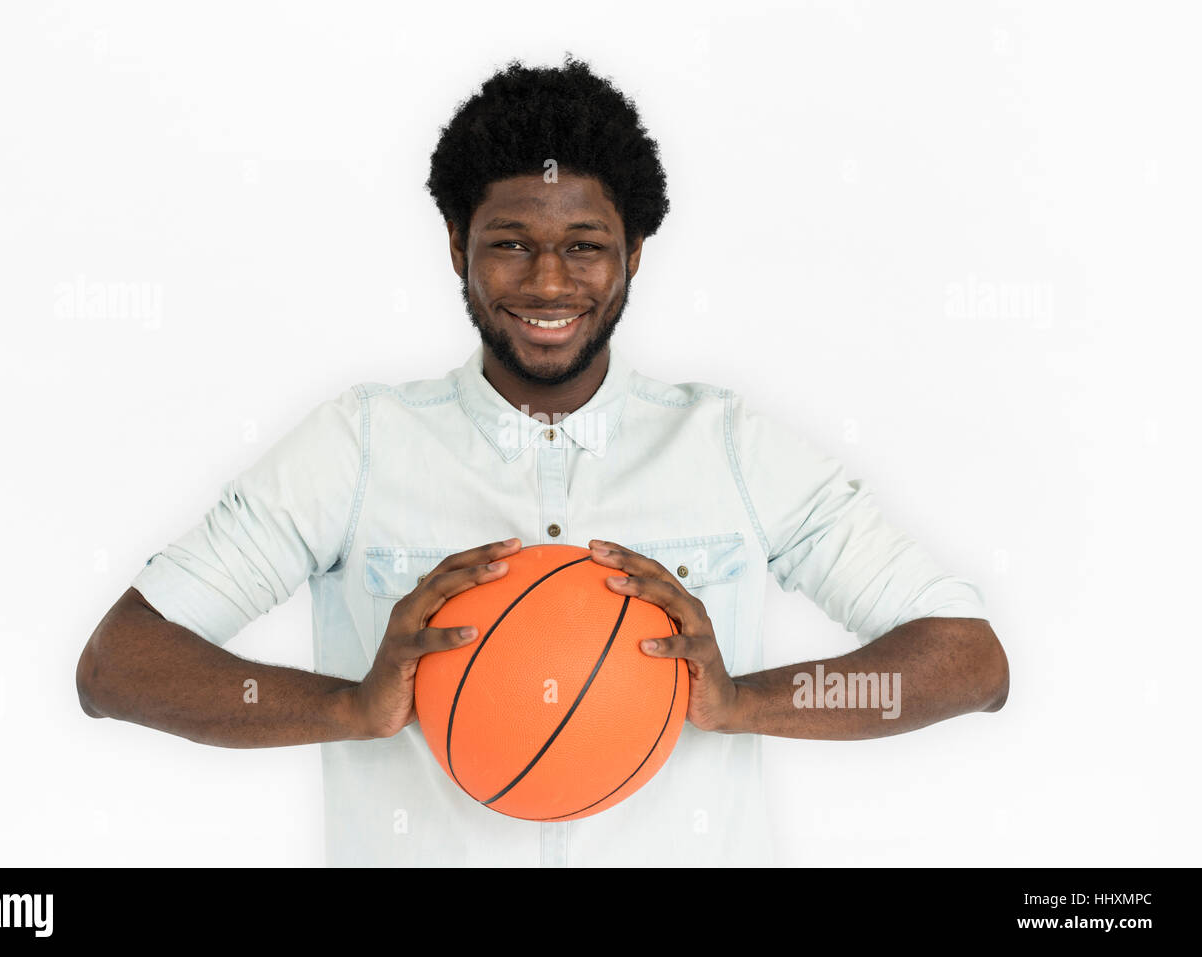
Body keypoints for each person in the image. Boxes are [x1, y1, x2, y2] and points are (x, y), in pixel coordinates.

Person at [76, 55, 1008, 867]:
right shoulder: (358, 445)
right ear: (458, 248)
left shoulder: (729, 445)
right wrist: (351, 707)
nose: (550, 282)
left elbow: (969, 660)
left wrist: (740, 702)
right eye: (512, 244)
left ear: (634, 254)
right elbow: (118, 664)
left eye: (585, 246)